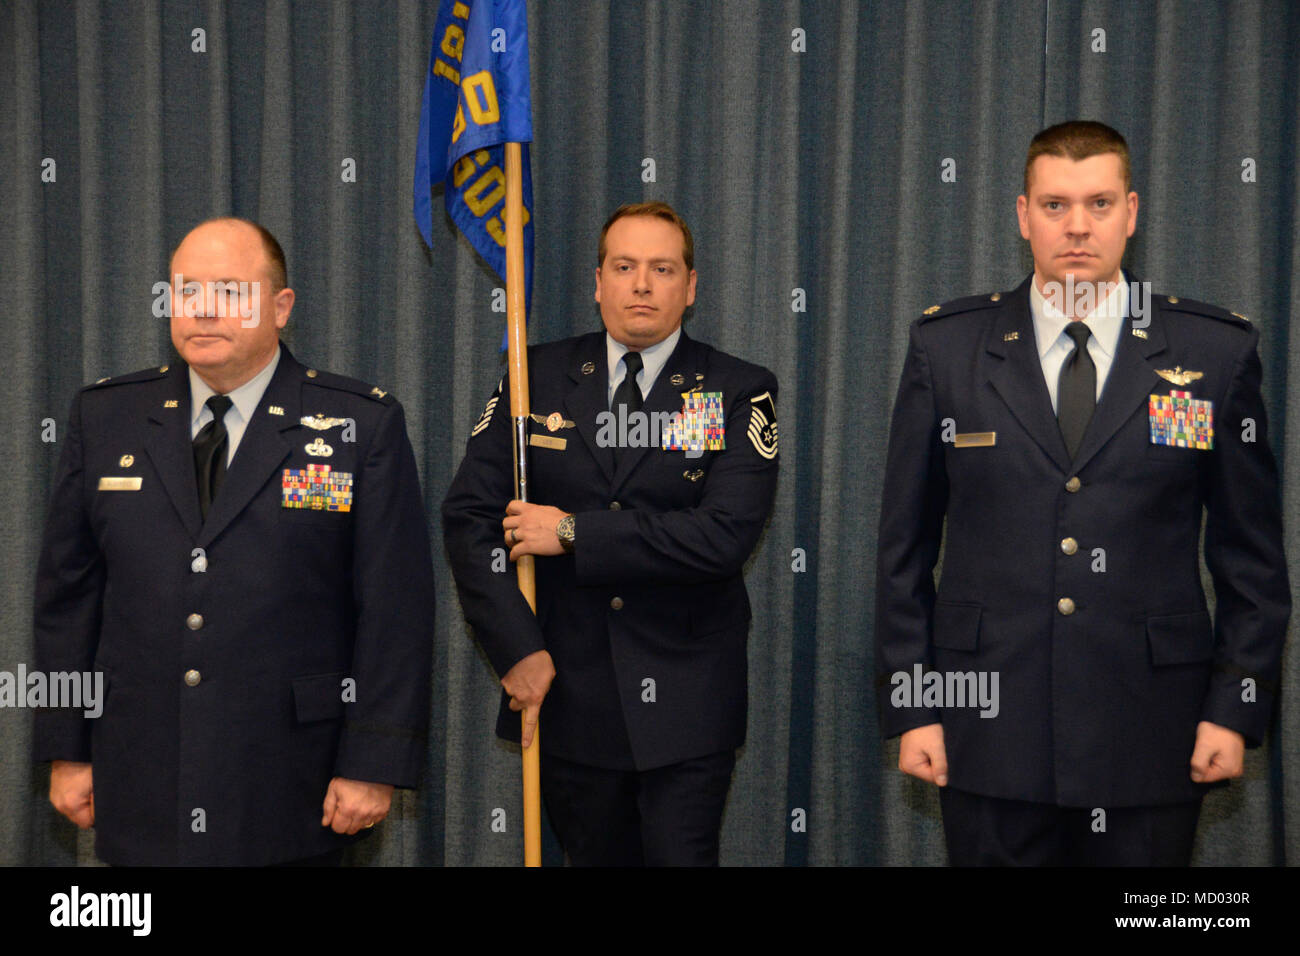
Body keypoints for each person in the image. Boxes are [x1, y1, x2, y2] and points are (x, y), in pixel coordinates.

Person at [875, 121, 1290, 866]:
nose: (1077, 226)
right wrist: (914, 707)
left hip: (1152, 731)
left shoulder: (1213, 353)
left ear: (1131, 213)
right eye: (1056, 204)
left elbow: (1252, 561)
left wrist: (1236, 708)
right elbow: (902, 553)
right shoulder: (947, 349)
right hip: (987, 727)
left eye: (1098, 204)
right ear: (1022, 215)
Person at [33, 217, 435, 866]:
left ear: (281, 307)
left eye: (229, 291)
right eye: (186, 290)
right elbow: (67, 601)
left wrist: (374, 761)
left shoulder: (362, 424)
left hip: (292, 778)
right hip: (139, 772)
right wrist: (65, 746)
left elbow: (395, 611)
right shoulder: (106, 417)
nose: (203, 309)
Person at [442, 201, 780, 866]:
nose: (643, 284)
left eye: (662, 268)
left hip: (687, 702)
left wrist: (572, 532)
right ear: (598, 282)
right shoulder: (531, 375)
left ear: (691, 286)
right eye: (624, 267)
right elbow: (469, 520)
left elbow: (723, 536)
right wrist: (516, 648)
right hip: (567, 690)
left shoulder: (735, 389)